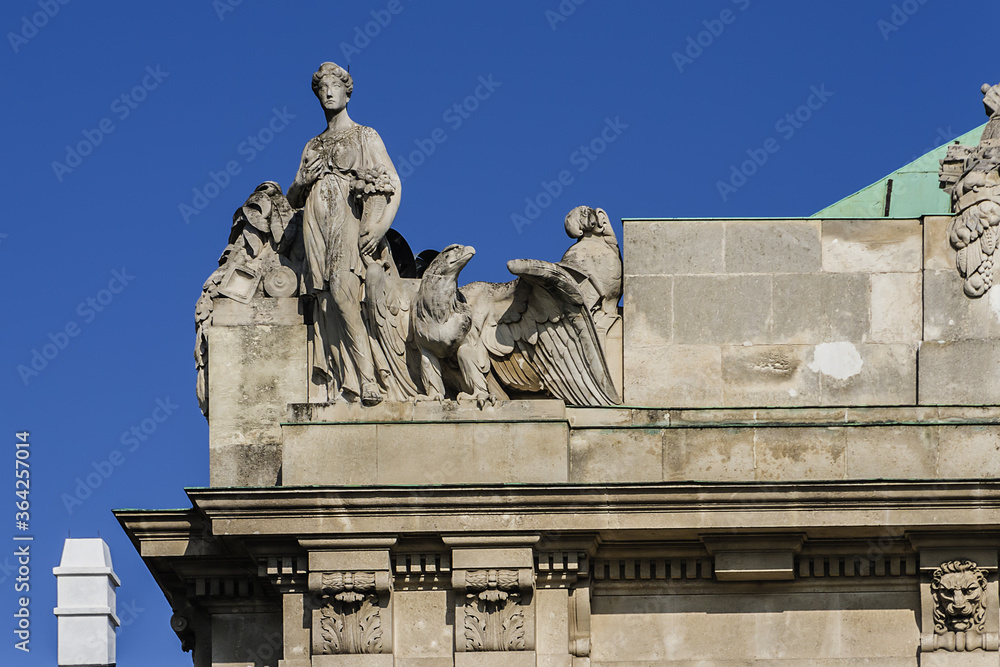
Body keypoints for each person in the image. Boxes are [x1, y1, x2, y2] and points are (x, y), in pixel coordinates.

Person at [288, 62, 402, 405]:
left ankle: (370, 379)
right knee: (325, 302)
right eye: (321, 88)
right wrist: (302, 182)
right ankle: (345, 379)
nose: (328, 93)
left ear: (347, 91)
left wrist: (381, 226)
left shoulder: (365, 135)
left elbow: (392, 183)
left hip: (347, 219)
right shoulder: (312, 144)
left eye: (334, 86)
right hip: (314, 224)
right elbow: (294, 196)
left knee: (341, 291)